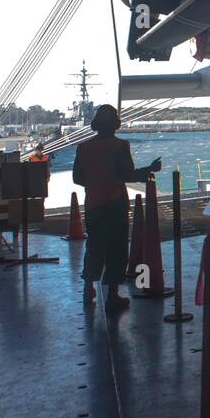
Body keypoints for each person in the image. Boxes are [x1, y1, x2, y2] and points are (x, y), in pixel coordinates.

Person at [72, 105, 160, 310]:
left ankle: (88, 289)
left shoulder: (83, 148)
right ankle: (112, 296)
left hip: (93, 205)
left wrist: (96, 182)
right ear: (115, 124)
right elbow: (128, 175)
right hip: (114, 205)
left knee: (94, 246)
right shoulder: (120, 146)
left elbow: (78, 178)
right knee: (116, 249)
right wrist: (150, 169)